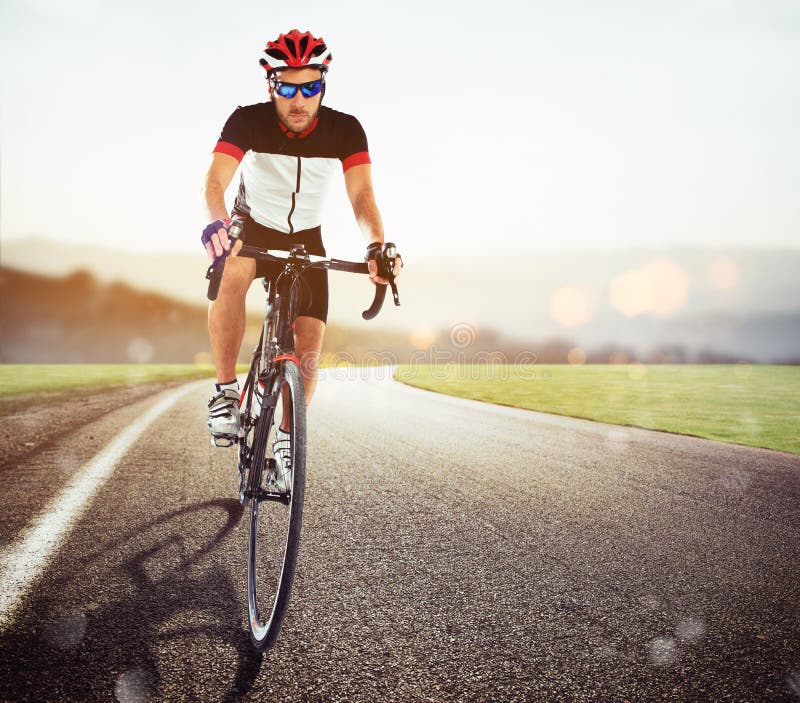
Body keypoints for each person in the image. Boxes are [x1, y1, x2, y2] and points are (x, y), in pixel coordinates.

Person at [200, 29, 402, 471]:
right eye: (287, 87)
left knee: (309, 340)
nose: (299, 99)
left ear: (323, 86)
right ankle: (225, 393)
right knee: (231, 272)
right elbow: (216, 180)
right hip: (250, 229)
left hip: (305, 238)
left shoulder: (344, 130)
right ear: (270, 85)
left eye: (310, 87)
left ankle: (290, 439)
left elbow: (362, 196)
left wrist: (376, 246)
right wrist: (218, 223)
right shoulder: (246, 121)